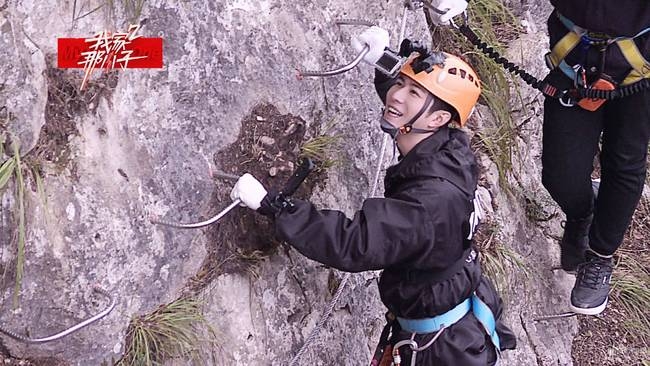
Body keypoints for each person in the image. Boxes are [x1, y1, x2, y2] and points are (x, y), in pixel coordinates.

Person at [230, 27, 515, 365]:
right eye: (401, 85)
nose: (397, 96)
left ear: (438, 119)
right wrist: (384, 62)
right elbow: (406, 105)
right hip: (452, 323)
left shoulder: (429, 202)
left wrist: (275, 207)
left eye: (413, 93)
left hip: (438, 350)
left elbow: (355, 244)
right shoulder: (450, 152)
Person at [427, 0, 650, 315]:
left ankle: (599, 255)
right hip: (576, 61)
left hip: (640, 65)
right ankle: (582, 214)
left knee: (625, 162)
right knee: (560, 175)